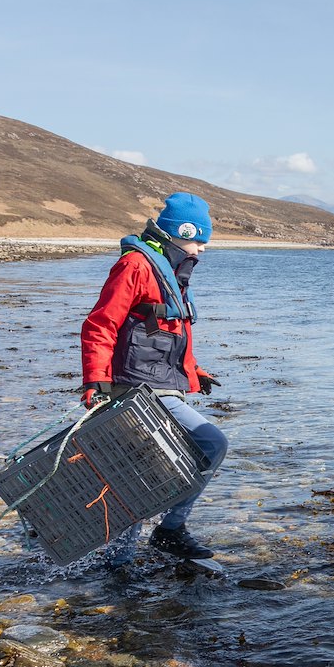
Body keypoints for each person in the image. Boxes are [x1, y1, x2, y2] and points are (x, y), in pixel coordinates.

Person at [80, 192, 230, 565]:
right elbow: (101, 323)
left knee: (139, 470)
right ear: (178, 233)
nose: (202, 250)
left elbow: (170, 329)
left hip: (157, 383)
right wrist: (95, 381)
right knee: (211, 443)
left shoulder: (170, 270)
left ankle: (119, 563)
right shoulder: (136, 266)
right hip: (134, 388)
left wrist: (192, 370)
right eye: (198, 240)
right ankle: (168, 531)